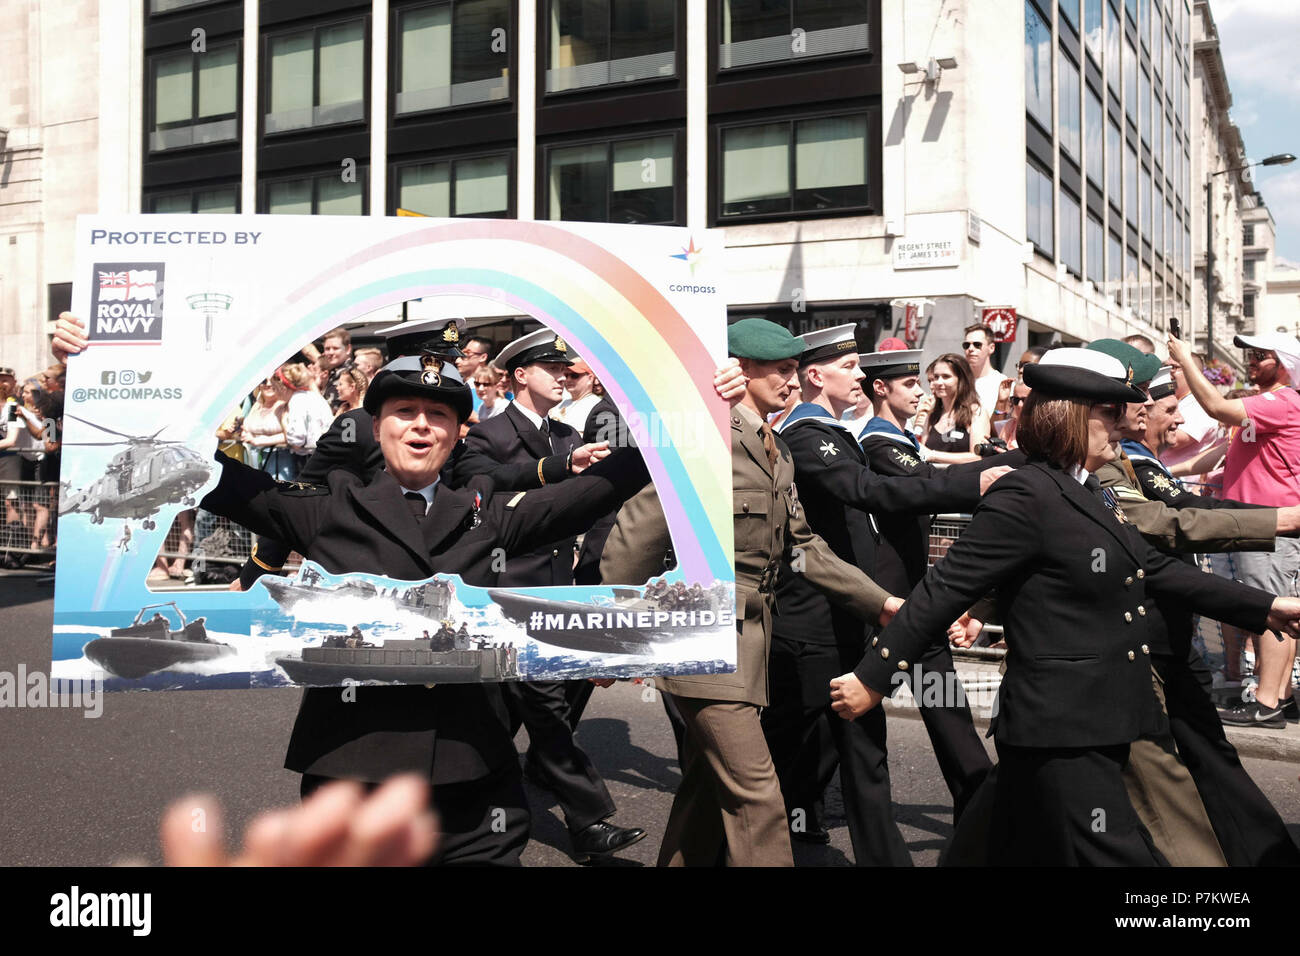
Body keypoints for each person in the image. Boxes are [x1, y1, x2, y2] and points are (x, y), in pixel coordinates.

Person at [831, 347, 1300, 865]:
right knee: (1114, 853)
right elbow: (943, 591)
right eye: (1109, 411)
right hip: (1063, 722)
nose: (1123, 422)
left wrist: (1264, 607)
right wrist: (872, 678)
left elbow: (1154, 566)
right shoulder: (1025, 494)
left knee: (987, 845)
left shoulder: (1089, 488)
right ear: (1072, 416)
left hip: (1085, 714)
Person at [197, 351, 655, 865]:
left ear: (459, 432)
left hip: (475, 789)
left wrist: (690, 410)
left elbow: (604, 485)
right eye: (405, 411)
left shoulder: (489, 514)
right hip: (355, 787)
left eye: (438, 415)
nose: (421, 425)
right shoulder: (328, 510)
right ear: (375, 426)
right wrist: (97, 384)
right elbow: (197, 471)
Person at [601, 318, 905, 867]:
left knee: (705, 789)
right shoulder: (706, 434)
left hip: (751, 648)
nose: (794, 382)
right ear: (740, 372)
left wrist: (878, 601)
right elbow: (637, 530)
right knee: (759, 797)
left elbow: (804, 547)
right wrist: (614, 635)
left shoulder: (775, 448)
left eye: (795, 370)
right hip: (702, 638)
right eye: (783, 371)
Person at [764, 327, 1006, 863]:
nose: (859, 376)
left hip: (851, 612)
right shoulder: (809, 435)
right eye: (850, 366)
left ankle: (855, 850)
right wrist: (974, 482)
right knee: (797, 751)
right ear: (815, 375)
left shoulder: (836, 434)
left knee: (858, 748)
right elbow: (869, 491)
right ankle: (778, 839)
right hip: (814, 617)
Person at [1089, 351, 1300, 866]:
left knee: (1192, 754)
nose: (1177, 416)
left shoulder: (1130, 459)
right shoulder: (1114, 466)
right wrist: (1277, 521)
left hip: (1161, 633)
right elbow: (1174, 519)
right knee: (1146, 771)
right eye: (1160, 404)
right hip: (1132, 642)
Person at [450, 327, 643, 863]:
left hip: (558, 589)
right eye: (550, 368)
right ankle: (588, 823)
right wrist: (557, 467)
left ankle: (464, 809)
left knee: (501, 719)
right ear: (518, 376)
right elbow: (479, 484)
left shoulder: (564, 431)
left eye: (565, 369)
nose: (563, 376)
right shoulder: (489, 433)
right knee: (546, 708)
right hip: (506, 593)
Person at [1169, 331, 1300, 729]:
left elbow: (1213, 406)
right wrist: (1165, 472)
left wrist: (1185, 358)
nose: (1251, 361)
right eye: (1250, 354)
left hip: (1272, 523)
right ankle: (1281, 696)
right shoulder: (1265, 406)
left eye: (1261, 355)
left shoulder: (1282, 401)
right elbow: (1221, 454)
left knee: (1272, 608)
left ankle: (1266, 702)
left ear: (1283, 364)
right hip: (1256, 522)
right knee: (1277, 608)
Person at [916, 353, 990, 464]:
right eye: (936, 377)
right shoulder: (932, 414)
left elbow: (978, 456)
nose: (938, 382)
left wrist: (933, 455)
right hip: (933, 479)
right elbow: (923, 451)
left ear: (961, 379)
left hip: (963, 479)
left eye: (946, 377)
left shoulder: (976, 412)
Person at [275, 364, 333, 477]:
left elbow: (297, 440)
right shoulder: (314, 396)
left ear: (283, 386)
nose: (275, 390)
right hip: (323, 456)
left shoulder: (297, 401)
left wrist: (284, 422)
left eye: (276, 386)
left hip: (311, 460)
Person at [241, 379, 294, 480]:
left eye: (273, 380)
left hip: (280, 464)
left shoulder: (285, 405)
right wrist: (244, 433)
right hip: (254, 464)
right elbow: (247, 428)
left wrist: (258, 441)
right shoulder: (257, 405)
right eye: (264, 381)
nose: (268, 384)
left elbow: (290, 435)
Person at [961, 323, 1010, 415]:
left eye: (977, 344)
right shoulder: (958, 381)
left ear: (991, 348)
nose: (971, 349)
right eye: (966, 345)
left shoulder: (1002, 383)